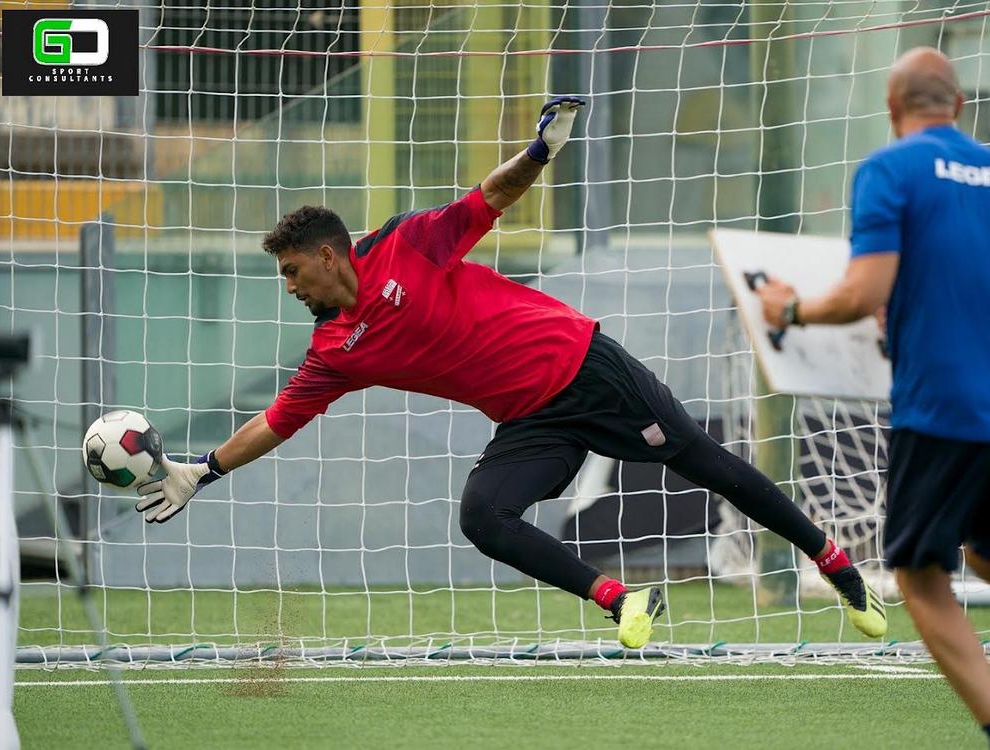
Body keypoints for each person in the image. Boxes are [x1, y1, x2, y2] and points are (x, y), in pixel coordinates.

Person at [137, 96, 885, 649]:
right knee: (483, 515)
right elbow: (276, 420)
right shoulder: (334, 351)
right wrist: (202, 470)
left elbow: (487, 199)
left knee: (703, 461)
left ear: (332, 256)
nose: (291, 286)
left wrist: (540, 153)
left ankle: (834, 559)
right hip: (531, 421)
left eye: (295, 271)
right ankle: (621, 599)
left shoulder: (406, 245)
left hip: (583, 365)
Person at [757, 47, 990, 740]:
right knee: (984, 551)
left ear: (894, 112)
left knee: (919, 574)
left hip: (945, 408)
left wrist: (791, 310)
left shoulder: (889, 169)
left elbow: (864, 293)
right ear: (957, 105)